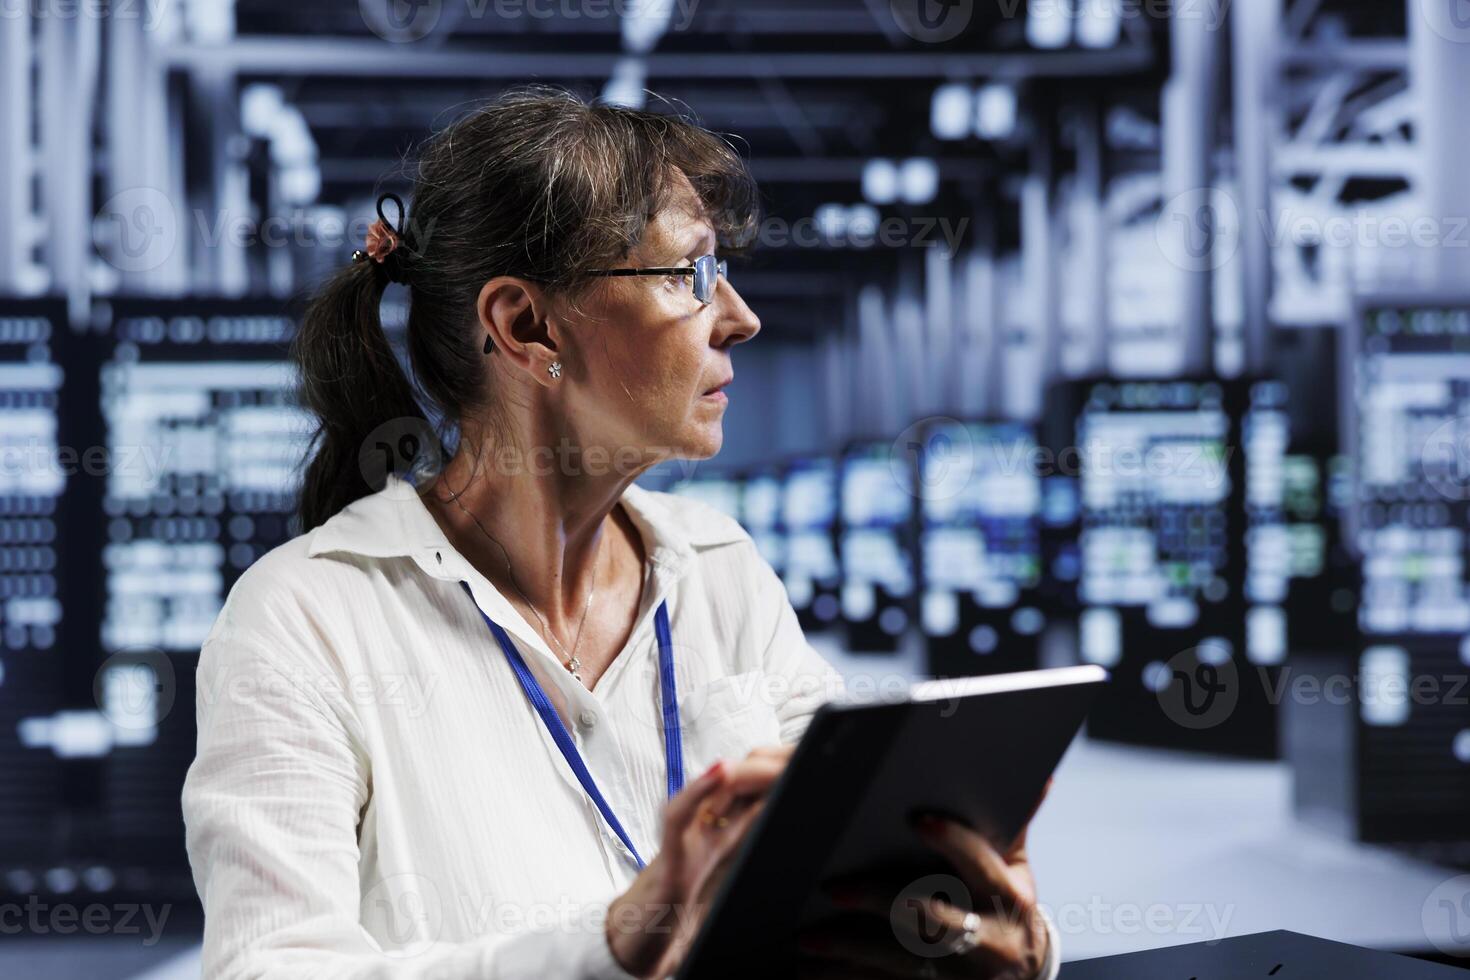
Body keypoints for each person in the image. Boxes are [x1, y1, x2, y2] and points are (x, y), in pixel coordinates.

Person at [180, 84, 1060, 979]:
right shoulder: (305, 619)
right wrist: (611, 945)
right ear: (524, 325)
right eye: (693, 274)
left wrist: (960, 930)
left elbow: (839, 891)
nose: (741, 318)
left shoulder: (720, 571)